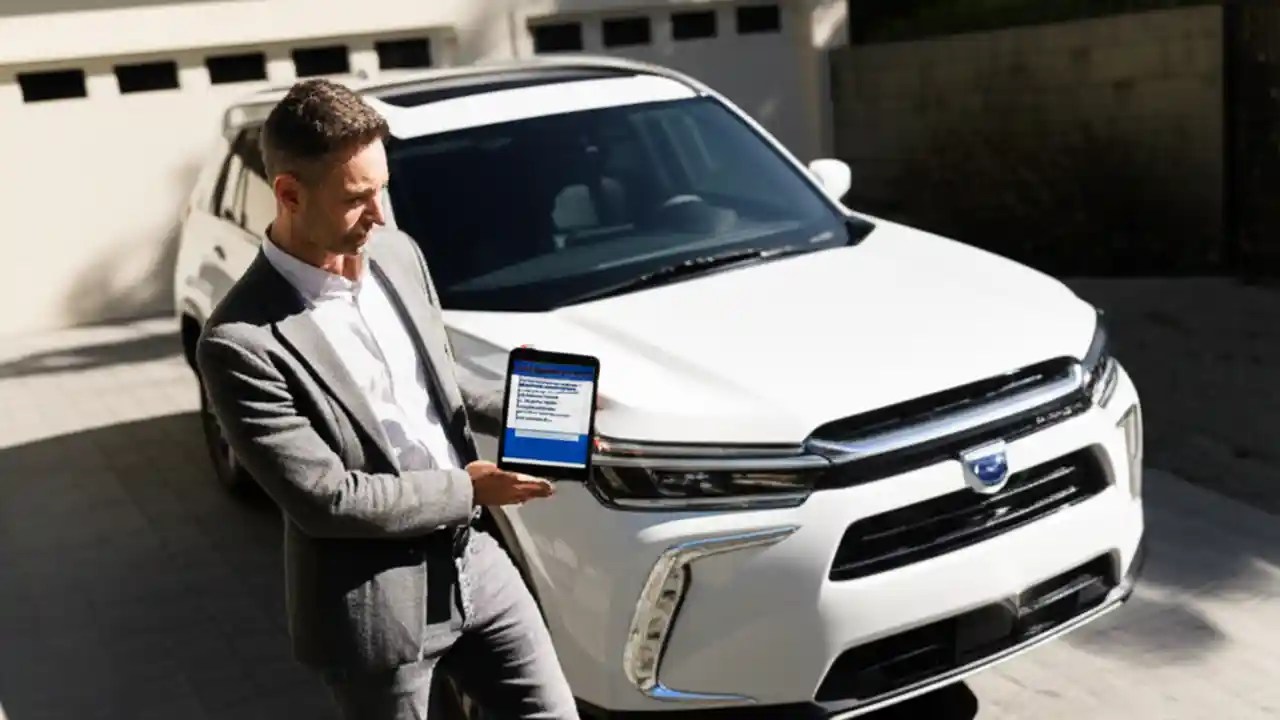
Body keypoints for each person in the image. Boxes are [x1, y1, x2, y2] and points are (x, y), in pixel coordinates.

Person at [196, 78, 579, 720]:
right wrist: (469, 489)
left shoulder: (398, 255)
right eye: (356, 198)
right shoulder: (240, 342)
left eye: (383, 188)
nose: (379, 213)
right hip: (374, 611)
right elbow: (327, 499)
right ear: (288, 194)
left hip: (476, 563)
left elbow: (437, 390)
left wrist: (550, 413)